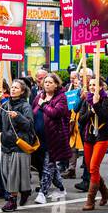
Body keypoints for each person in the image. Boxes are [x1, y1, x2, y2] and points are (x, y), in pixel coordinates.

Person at [0, 80, 36, 212]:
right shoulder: (5, 104)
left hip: (19, 144)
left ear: (22, 91)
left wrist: (18, 116)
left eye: (16, 88)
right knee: (6, 173)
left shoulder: (25, 106)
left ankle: (12, 201)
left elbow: (29, 125)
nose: (13, 90)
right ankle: (25, 190)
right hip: (6, 143)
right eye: (12, 87)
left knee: (14, 174)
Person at [78, 73, 108, 211]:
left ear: (101, 87)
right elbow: (80, 119)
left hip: (102, 136)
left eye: (95, 85)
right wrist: (90, 112)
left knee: (94, 167)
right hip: (89, 137)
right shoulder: (86, 100)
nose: (92, 87)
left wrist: (97, 104)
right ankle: (105, 192)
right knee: (90, 168)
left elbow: (105, 117)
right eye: (91, 85)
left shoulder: (107, 100)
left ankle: (90, 200)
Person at [33, 73, 71, 204]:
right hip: (39, 138)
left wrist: (44, 105)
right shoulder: (39, 96)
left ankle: (42, 193)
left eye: (50, 82)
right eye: (45, 82)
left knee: (48, 165)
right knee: (50, 166)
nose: (47, 84)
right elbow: (33, 111)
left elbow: (56, 113)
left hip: (54, 137)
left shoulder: (61, 98)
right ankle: (61, 188)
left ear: (56, 85)